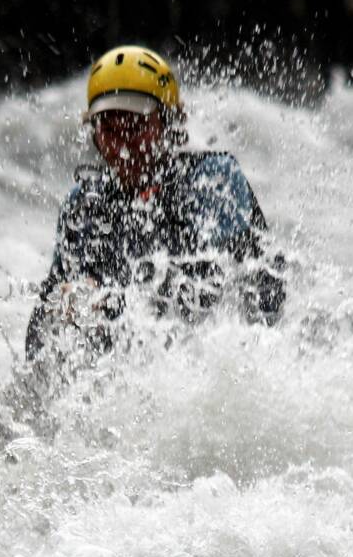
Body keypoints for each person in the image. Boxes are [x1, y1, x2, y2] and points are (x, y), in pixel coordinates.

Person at [25, 45, 286, 366]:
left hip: (228, 362)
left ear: (169, 123)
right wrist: (61, 311)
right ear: (94, 135)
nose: (122, 144)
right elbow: (37, 339)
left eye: (135, 126)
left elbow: (198, 288)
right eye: (109, 127)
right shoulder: (83, 205)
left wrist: (106, 299)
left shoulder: (215, 180)